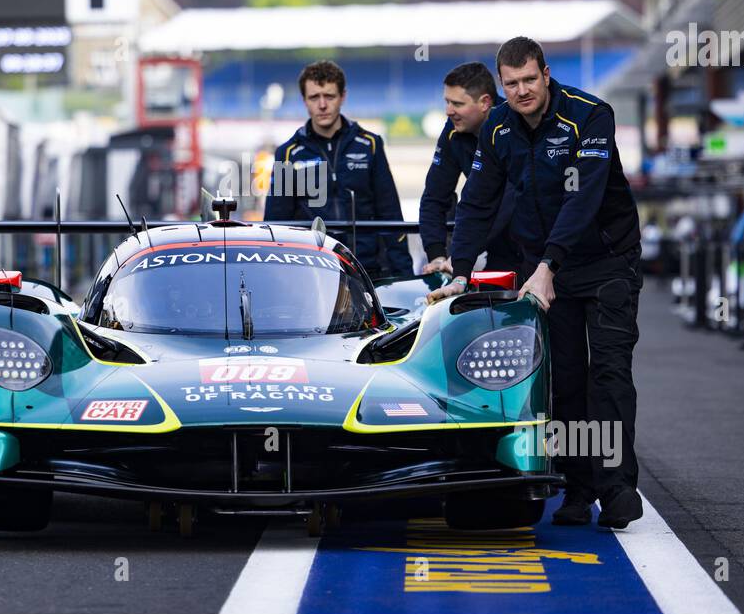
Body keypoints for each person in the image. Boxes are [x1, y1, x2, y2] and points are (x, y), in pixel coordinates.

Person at [428, 37, 644, 529]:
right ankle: (577, 487)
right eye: (512, 84)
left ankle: (616, 489)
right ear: (500, 87)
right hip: (545, 268)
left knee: (607, 375)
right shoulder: (499, 126)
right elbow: (478, 201)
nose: (522, 90)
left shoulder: (590, 116)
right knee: (563, 378)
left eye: (530, 79)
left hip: (606, 260)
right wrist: (460, 270)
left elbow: (583, 198)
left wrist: (548, 265)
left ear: (546, 74)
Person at [263, 60, 411, 279]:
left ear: (343, 96)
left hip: (368, 270)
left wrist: (404, 276)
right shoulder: (287, 153)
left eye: (329, 96)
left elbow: (390, 213)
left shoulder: (370, 144)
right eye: (314, 97)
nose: (322, 105)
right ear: (305, 101)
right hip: (311, 270)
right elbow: (276, 223)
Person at [418, 61, 518, 277]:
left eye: (457, 104)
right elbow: (434, 196)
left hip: (531, 242)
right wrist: (437, 255)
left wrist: (461, 254)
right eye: (446, 102)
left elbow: (509, 202)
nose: (448, 111)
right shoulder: (454, 130)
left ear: (484, 103)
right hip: (492, 244)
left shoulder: (514, 126)